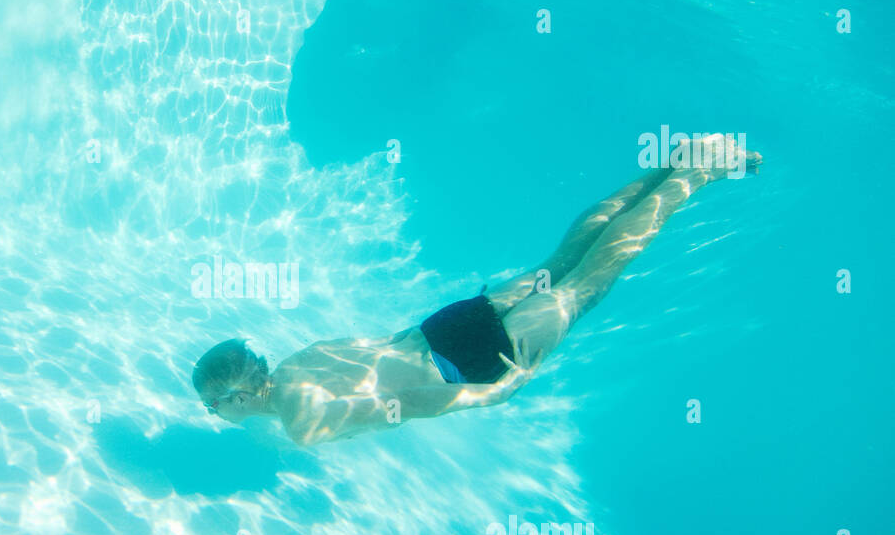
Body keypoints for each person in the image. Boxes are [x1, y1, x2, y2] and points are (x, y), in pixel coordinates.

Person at [193, 134, 761, 446]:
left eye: (212, 406)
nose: (214, 415)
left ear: (238, 397)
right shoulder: (296, 363)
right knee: (561, 262)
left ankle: (700, 171)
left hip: (470, 365)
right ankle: (671, 164)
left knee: (587, 283)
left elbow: (405, 405)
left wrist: (490, 395)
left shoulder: (303, 422)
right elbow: (381, 352)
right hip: (443, 326)